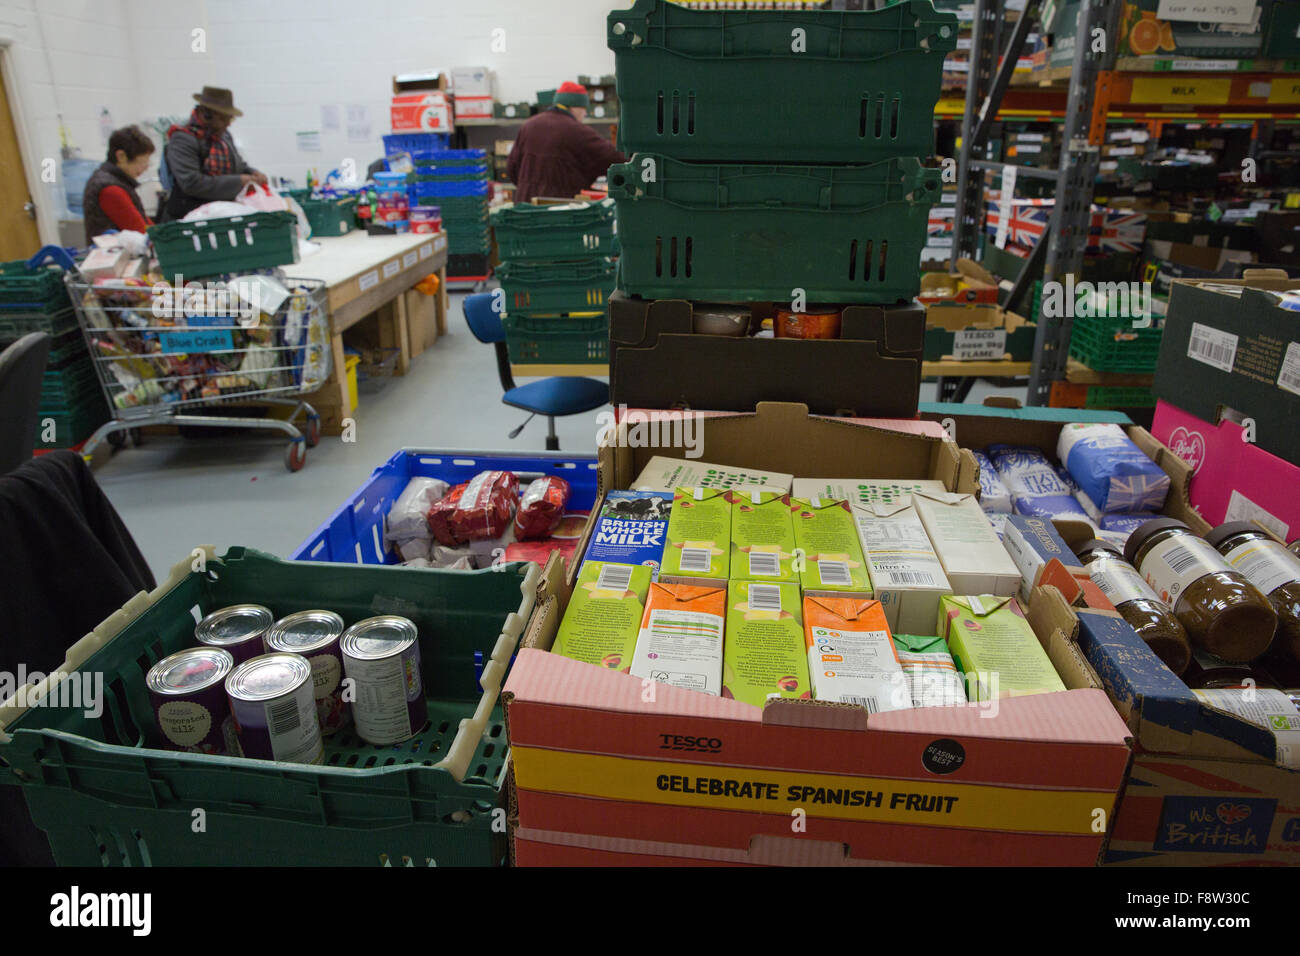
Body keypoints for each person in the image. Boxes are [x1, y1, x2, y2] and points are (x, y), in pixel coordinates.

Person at [160, 86, 266, 221]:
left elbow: (238, 165)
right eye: (224, 118)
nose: (228, 124)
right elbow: (191, 183)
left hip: (222, 214)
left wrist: (252, 173)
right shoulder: (183, 139)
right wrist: (239, 181)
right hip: (191, 218)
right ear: (206, 115)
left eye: (230, 118)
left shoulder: (224, 137)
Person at [507, 81, 625, 203]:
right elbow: (612, 158)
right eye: (584, 108)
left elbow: (512, 168)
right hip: (560, 210)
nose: (584, 114)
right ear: (575, 106)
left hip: (525, 207)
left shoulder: (529, 125)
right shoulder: (577, 131)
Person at [82, 125, 155, 239]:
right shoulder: (110, 190)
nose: (145, 168)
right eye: (142, 162)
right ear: (121, 156)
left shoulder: (118, 182)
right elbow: (140, 231)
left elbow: (145, 223)